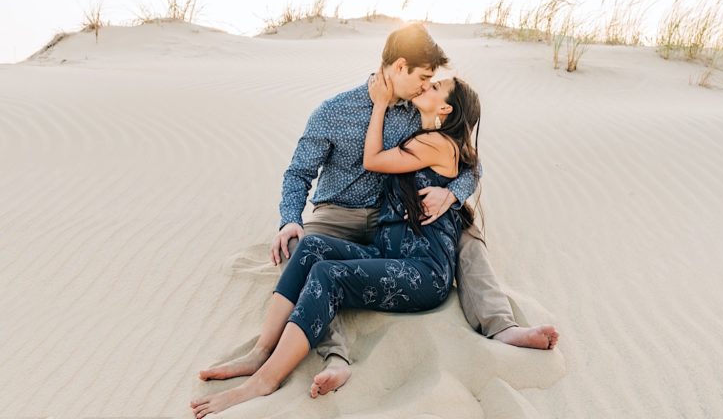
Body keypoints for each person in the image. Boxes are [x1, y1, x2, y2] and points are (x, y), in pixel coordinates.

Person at [193, 24, 558, 407]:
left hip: (399, 219)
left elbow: (469, 161)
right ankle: (329, 353)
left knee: (467, 233)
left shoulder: (421, 113)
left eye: (432, 83)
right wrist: (289, 219)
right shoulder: (334, 112)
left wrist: (452, 193)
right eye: (422, 78)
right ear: (399, 67)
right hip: (341, 213)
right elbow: (298, 173)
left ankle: (500, 325)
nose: (425, 87)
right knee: (299, 249)